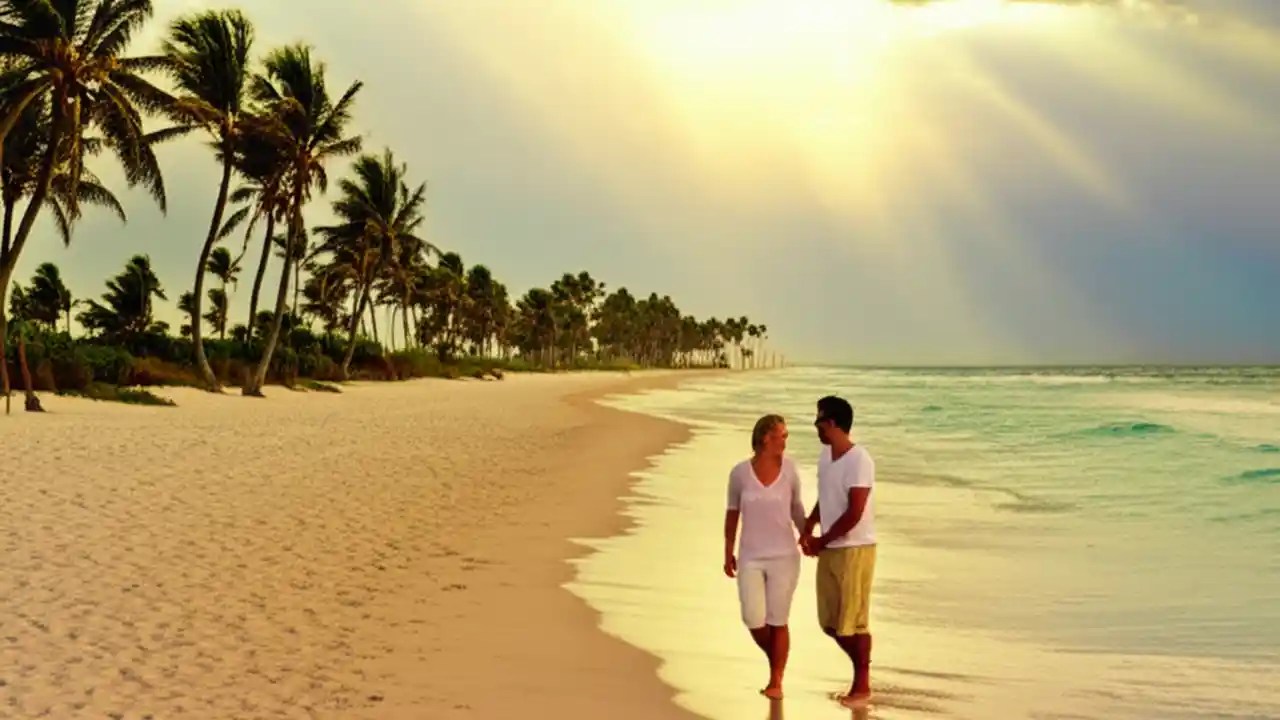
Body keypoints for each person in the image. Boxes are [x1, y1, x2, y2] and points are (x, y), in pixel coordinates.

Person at [800, 395, 877, 708]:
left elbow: (855, 512)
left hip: (855, 549)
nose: (816, 427)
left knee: (852, 623)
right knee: (830, 623)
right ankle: (862, 673)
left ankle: (862, 683)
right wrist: (810, 524)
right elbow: (827, 497)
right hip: (831, 547)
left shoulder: (860, 460)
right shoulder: (825, 456)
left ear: (831, 423)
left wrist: (823, 540)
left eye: (819, 421)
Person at [724, 414, 806, 700]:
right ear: (765, 438)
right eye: (781, 435)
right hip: (750, 557)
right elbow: (732, 513)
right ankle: (778, 661)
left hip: (785, 556)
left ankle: (776, 680)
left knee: (778, 619)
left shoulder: (791, 470)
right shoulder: (739, 473)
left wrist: (806, 536)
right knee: (753, 618)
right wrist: (727, 552)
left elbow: (796, 508)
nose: (785, 441)